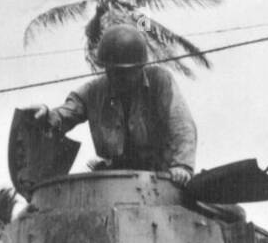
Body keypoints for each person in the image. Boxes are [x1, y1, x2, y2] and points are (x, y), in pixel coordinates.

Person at [27, 24, 197, 184]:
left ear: (140, 67)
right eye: (112, 71)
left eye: (125, 72)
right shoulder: (93, 91)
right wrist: (47, 116)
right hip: (115, 179)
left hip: (160, 177)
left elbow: (181, 124)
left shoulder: (159, 81)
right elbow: (65, 114)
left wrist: (182, 166)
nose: (118, 77)